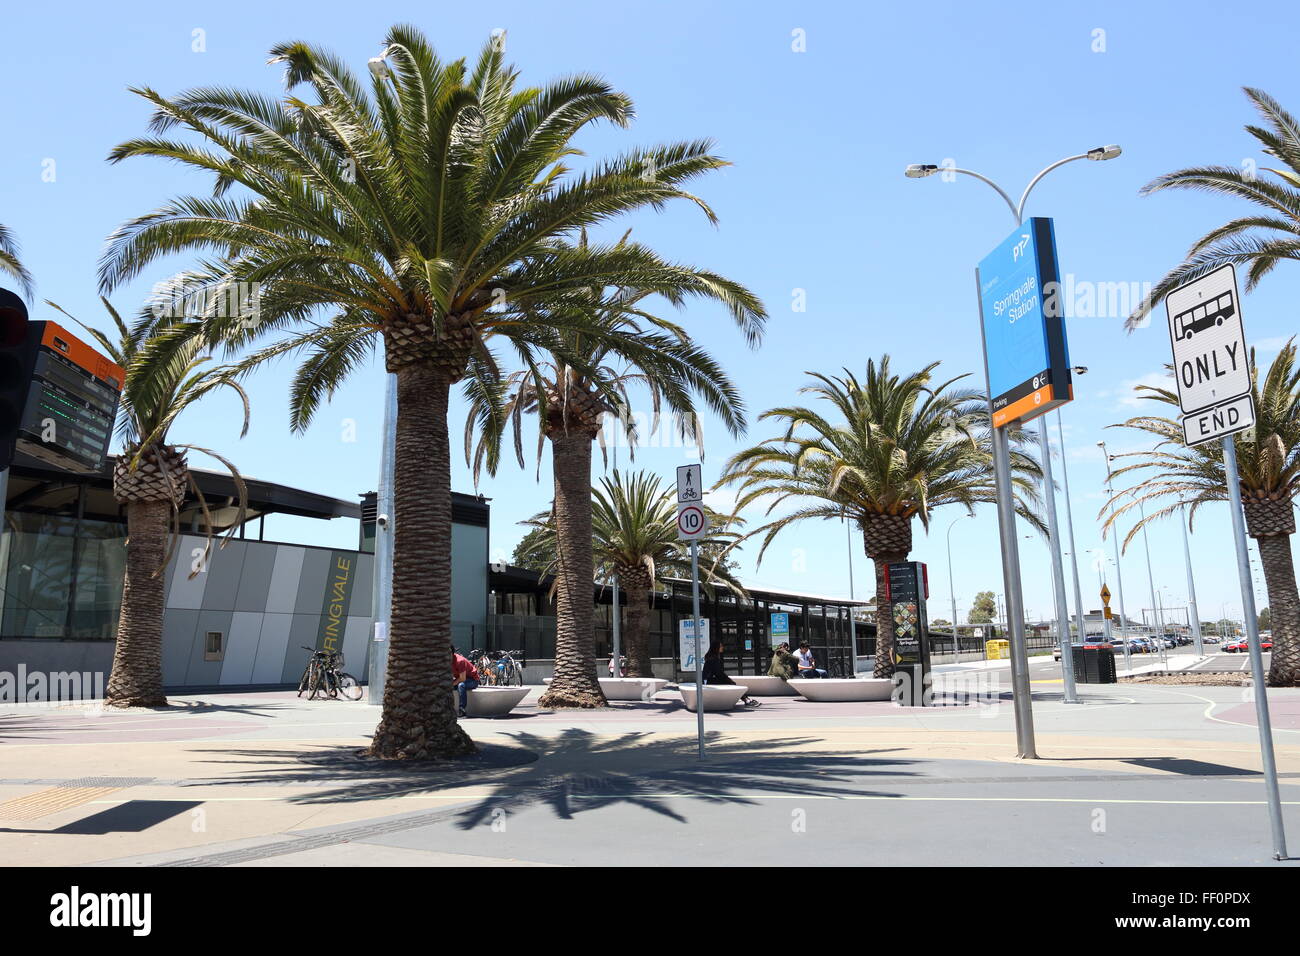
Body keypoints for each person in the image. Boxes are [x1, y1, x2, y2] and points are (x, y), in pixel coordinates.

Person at [702, 641, 760, 707]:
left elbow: (718, 673)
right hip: (707, 681)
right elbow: (718, 673)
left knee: (730, 682)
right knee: (731, 683)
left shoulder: (712, 657)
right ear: (716, 648)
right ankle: (746, 699)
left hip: (708, 680)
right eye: (720, 646)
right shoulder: (713, 658)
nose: (722, 648)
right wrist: (728, 679)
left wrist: (727, 679)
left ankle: (746, 699)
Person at [452, 648, 480, 718]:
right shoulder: (446, 661)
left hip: (473, 680)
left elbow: (462, 678)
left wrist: (451, 684)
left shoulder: (459, 661)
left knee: (461, 685)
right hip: (460, 679)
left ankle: (462, 710)